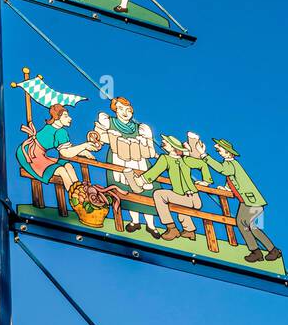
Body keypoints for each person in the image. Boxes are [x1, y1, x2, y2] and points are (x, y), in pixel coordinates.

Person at [203, 138, 283, 265]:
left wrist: (205, 156)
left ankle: (267, 250)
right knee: (244, 224)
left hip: (252, 202)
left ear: (229, 153)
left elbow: (223, 170)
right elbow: (233, 179)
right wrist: (226, 188)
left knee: (249, 226)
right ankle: (260, 251)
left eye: (220, 150)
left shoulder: (231, 164)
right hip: (246, 201)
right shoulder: (230, 164)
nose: (218, 152)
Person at [95, 97, 161, 238]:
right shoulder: (109, 123)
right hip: (119, 161)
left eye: (127, 109)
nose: (124, 112)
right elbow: (100, 137)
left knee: (147, 192)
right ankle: (134, 221)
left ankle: (151, 225)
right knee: (125, 190)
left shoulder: (140, 128)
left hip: (140, 162)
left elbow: (149, 148)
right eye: (120, 108)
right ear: (115, 110)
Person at [137, 134, 212, 242]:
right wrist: (206, 181)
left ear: (172, 147)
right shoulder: (186, 159)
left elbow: (154, 172)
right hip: (195, 199)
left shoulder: (166, 159)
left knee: (159, 195)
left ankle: (171, 228)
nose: (162, 143)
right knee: (179, 204)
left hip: (185, 198)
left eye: (165, 142)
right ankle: (189, 230)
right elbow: (203, 164)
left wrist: (141, 180)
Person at [15, 103, 99, 190]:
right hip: (29, 155)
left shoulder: (55, 129)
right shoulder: (60, 132)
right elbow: (66, 152)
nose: (70, 118)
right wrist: (84, 146)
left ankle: (80, 192)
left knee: (68, 166)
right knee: (61, 170)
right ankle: (74, 198)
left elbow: (68, 148)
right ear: (57, 117)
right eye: (65, 116)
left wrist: (83, 151)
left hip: (38, 154)